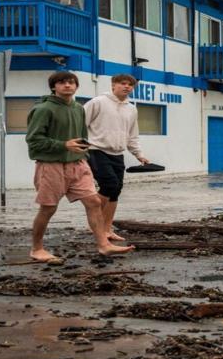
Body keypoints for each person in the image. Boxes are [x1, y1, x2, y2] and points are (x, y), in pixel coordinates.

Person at [24, 71, 131, 263]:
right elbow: (33, 140)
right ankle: (37, 249)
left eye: (71, 82)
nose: (67, 86)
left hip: (78, 164)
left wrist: (84, 155)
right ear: (54, 86)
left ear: (76, 86)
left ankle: (103, 245)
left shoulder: (78, 108)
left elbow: (82, 137)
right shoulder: (43, 109)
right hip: (51, 165)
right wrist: (63, 145)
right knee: (48, 208)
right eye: (62, 83)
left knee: (94, 202)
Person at [83, 73, 151, 243]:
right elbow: (79, 124)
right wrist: (79, 149)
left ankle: (107, 229)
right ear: (113, 85)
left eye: (130, 85)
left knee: (115, 191)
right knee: (109, 184)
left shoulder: (131, 108)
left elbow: (132, 134)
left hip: (117, 153)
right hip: (96, 149)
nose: (127, 87)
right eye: (123, 83)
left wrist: (139, 154)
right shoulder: (98, 102)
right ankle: (94, 220)